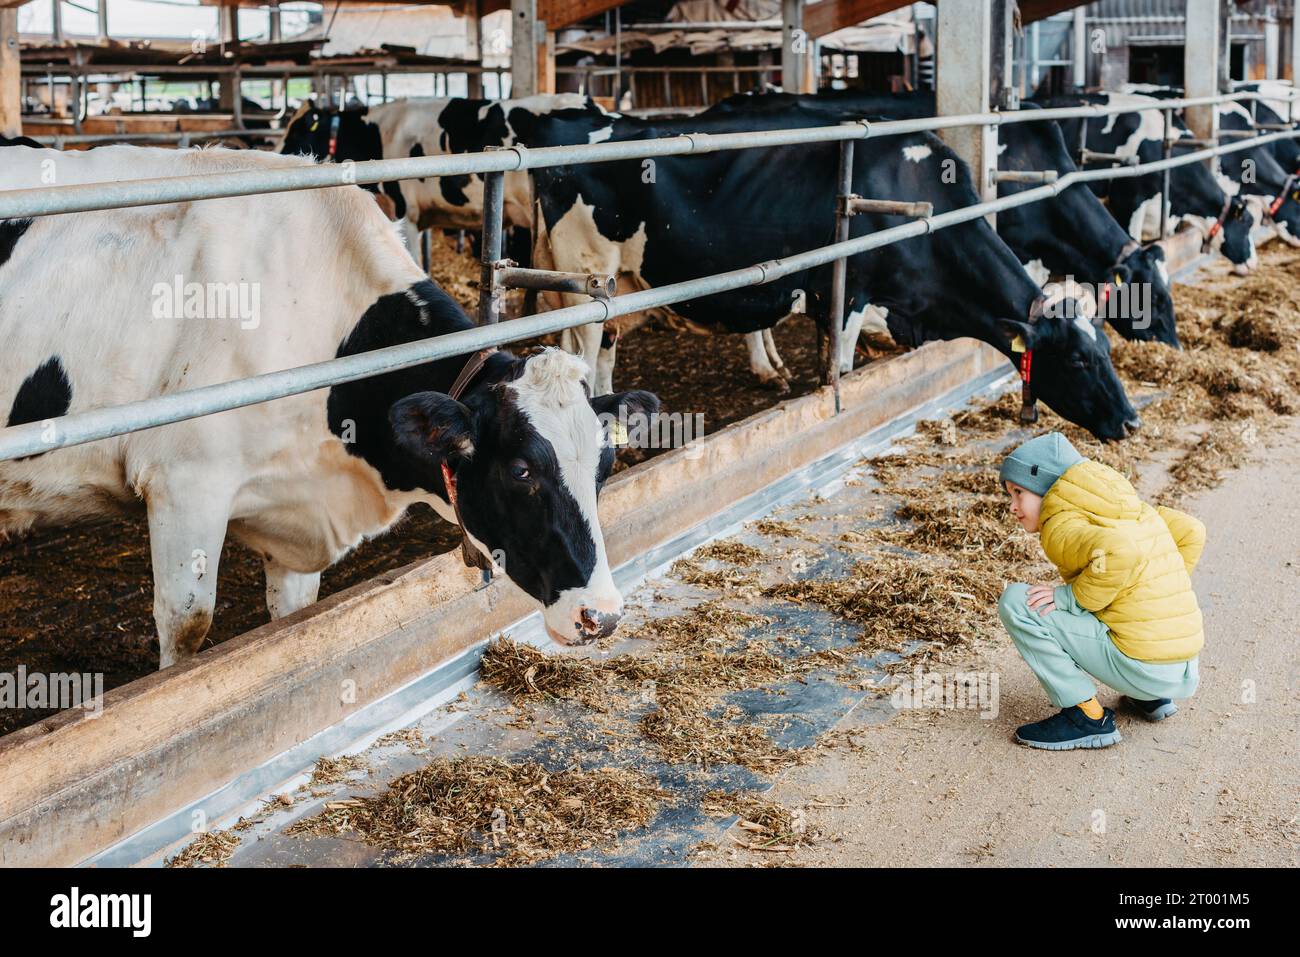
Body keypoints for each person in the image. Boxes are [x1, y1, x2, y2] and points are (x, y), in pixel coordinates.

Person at [996, 432, 1206, 750]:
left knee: (1016, 601)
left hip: (1144, 666)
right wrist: (1155, 593)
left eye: (1018, 492)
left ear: (1046, 488)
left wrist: (1070, 598)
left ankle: (1086, 717)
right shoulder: (1130, 510)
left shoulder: (1059, 526)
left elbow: (1119, 553)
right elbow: (1192, 531)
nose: (1012, 507)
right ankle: (1148, 697)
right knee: (1108, 591)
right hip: (1183, 667)